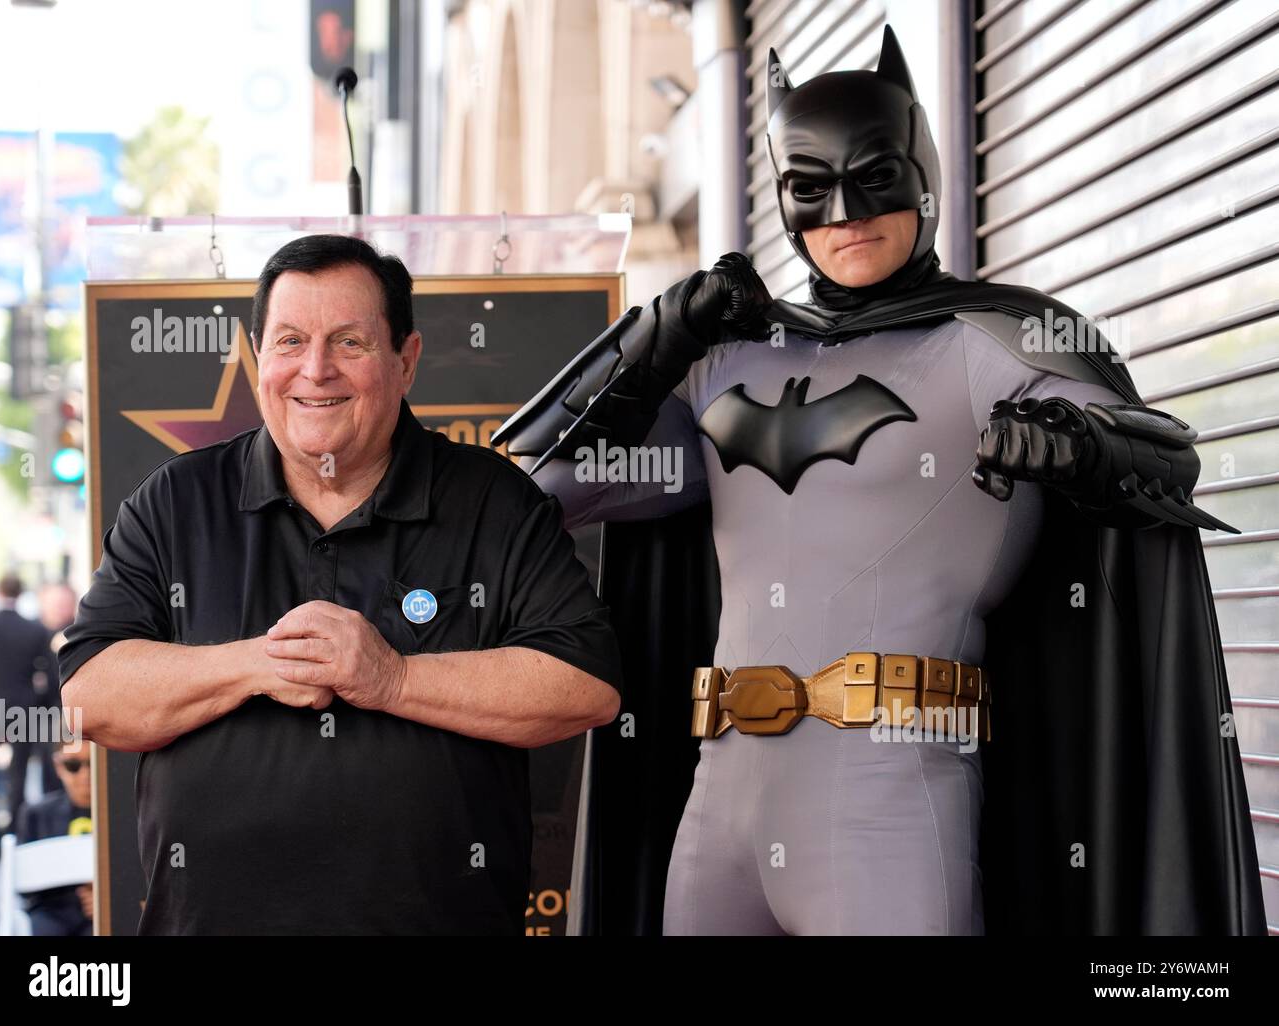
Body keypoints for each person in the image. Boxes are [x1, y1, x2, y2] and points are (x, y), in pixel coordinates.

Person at [493, 25, 1264, 935]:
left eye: (875, 176)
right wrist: (659, 331)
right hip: (721, 798)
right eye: (809, 187)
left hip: (890, 788)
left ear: (924, 172)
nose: (846, 212)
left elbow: (1168, 457)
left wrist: (1078, 443)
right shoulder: (725, 359)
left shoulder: (992, 341)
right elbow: (531, 486)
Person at [58, 234, 622, 935]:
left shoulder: (493, 503)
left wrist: (392, 679)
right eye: (290, 341)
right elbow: (89, 698)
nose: (315, 370)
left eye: (349, 343)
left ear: (405, 360)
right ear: (260, 356)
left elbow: (585, 687)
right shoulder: (174, 503)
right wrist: (256, 663)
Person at [0, 572, 56, 834]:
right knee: (19, 768)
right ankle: (14, 825)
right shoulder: (35, 629)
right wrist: (38, 702)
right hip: (24, 706)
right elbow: (48, 672)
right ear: (20, 593)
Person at [16, 737, 94, 936]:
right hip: (51, 911)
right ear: (58, 766)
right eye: (73, 765)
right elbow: (23, 882)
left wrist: (108, 896)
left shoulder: (122, 813)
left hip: (102, 909)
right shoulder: (36, 814)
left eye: (93, 763)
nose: (85, 775)